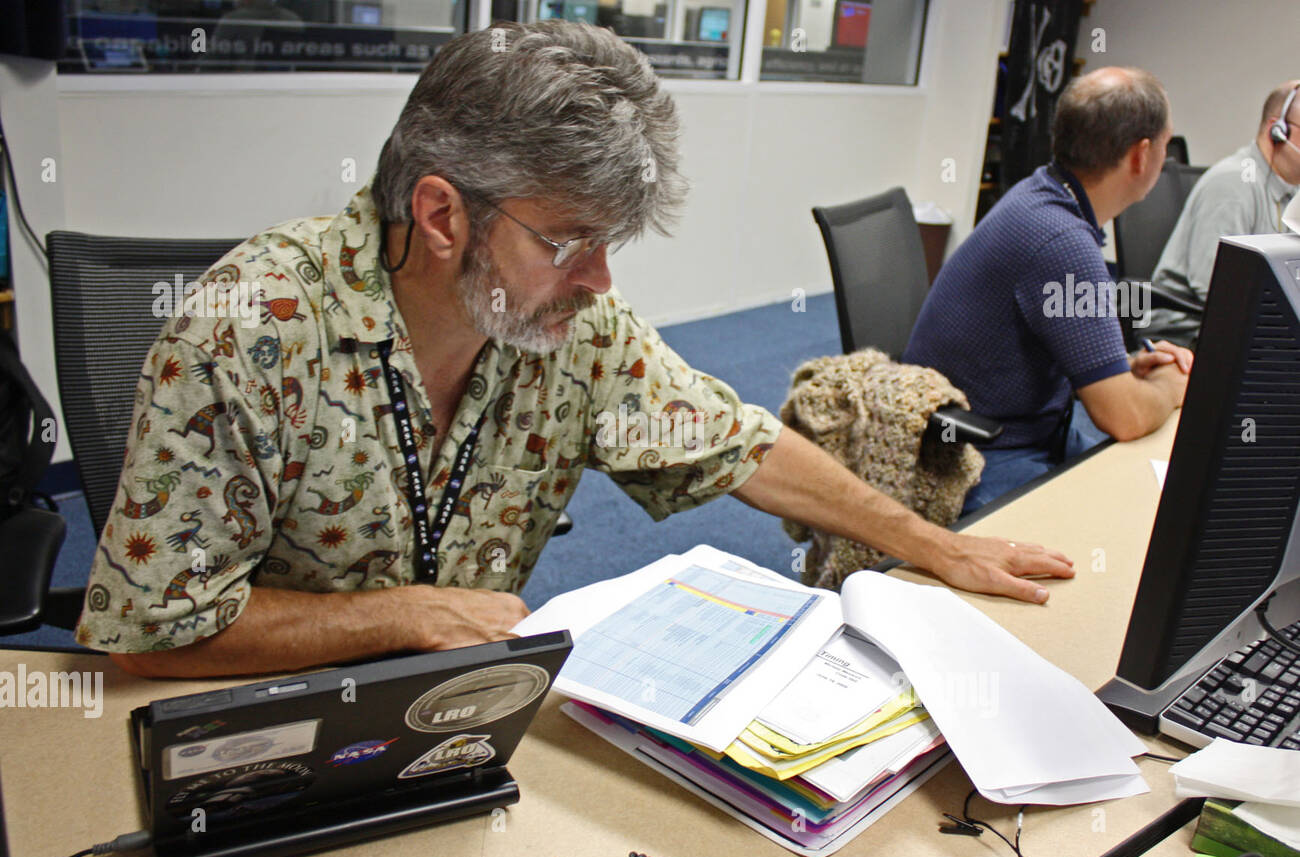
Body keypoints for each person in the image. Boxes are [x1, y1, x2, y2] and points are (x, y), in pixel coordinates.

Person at [76, 22, 1074, 678]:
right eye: (565, 242)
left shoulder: (572, 332)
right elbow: (153, 632)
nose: (598, 279)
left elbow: (741, 444)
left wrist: (940, 545)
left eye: (609, 243)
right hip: (268, 726)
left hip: (466, 717)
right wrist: (405, 614)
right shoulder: (248, 330)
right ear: (438, 214)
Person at [903, 67, 1193, 515]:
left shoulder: (1043, 194)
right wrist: (1171, 388)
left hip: (1001, 424)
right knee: (1138, 521)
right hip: (980, 455)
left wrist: (1124, 369)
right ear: (1140, 156)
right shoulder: (1062, 241)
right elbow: (1124, 417)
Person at [1145, 81, 1300, 349]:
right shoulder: (1234, 184)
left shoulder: (1291, 193)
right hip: (1187, 330)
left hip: (1249, 327)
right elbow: (1216, 289)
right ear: (1278, 130)